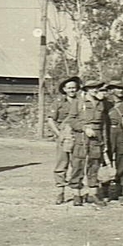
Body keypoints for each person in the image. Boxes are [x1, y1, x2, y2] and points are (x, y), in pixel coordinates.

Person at [66, 79, 108, 206]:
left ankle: (93, 194)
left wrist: (104, 142)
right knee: (78, 164)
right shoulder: (78, 102)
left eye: (97, 87)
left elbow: (104, 124)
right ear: (86, 90)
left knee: (94, 165)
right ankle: (76, 195)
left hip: (97, 138)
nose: (95, 90)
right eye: (92, 88)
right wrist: (84, 128)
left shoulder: (101, 103)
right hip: (81, 137)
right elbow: (71, 120)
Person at [47, 75, 81, 204]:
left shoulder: (81, 101)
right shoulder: (58, 103)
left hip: (78, 135)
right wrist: (58, 133)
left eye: (74, 88)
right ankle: (60, 192)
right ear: (64, 89)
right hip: (63, 135)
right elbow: (50, 119)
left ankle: (76, 193)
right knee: (62, 164)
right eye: (69, 88)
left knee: (77, 164)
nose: (72, 90)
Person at [102, 79, 123, 200]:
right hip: (108, 132)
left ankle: (121, 187)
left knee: (122, 159)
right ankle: (105, 187)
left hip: (121, 132)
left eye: (121, 88)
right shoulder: (104, 103)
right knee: (105, 159)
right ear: (110, 90)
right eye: (116, 88)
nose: (120, 90)